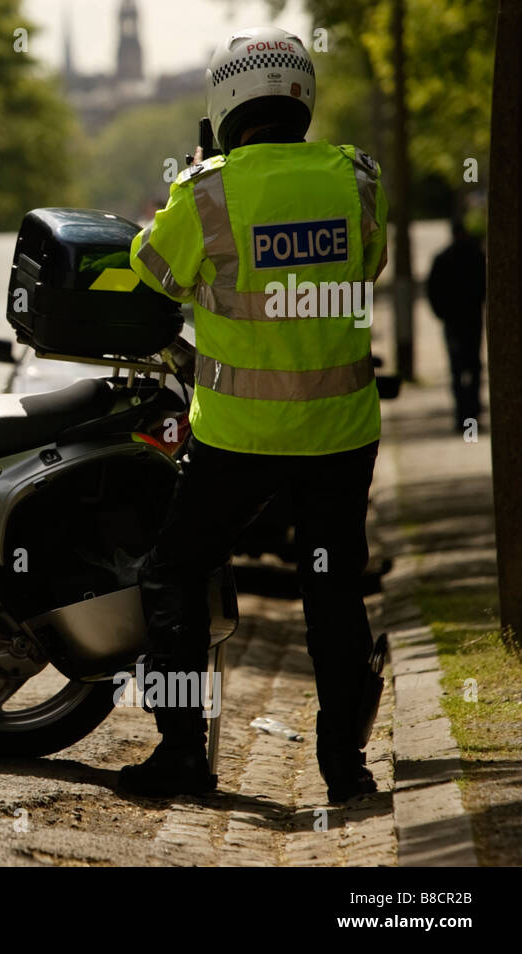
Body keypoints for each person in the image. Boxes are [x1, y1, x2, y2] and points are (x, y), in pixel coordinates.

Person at [122, 26, 389, 803]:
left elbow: (155, 270)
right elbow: (369, 265)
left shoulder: (208, 190)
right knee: (333, 588)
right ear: (303, 99)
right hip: (341, 434)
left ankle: (181, 756)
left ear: (225, 103)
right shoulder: (359, 179)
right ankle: (346, 769)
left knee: (172, 573)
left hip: (238, 438)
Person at [426, 219, 487, 430]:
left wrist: (442, 314)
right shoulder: (475, 256)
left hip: (455, 323)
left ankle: (464, 414)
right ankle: (471, 412)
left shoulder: (444, 259)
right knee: (472, 367)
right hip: (470, 321)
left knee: (458, 369)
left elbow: (432, 292)